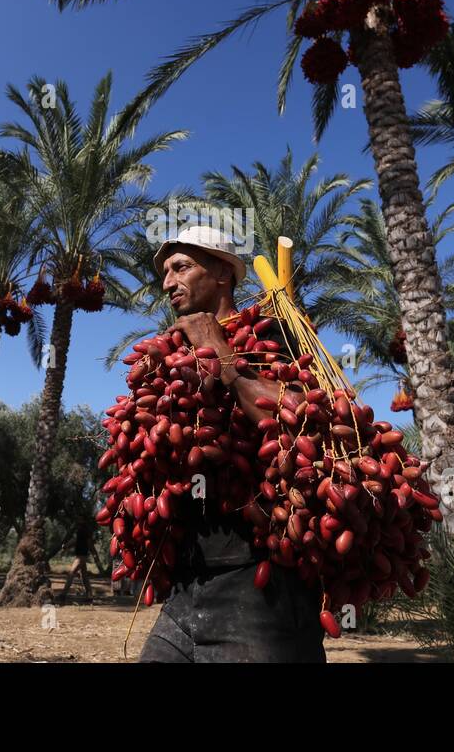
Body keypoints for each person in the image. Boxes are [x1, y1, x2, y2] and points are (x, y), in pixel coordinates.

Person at [136, 225, 327, 663]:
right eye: (165, 272)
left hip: (261, 589)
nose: (167, 282)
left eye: (181, 267)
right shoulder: (171, 353)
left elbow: (299, 425)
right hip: (189, 586)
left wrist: (222, 354)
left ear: (223, 272)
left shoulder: (277, 332)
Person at [59, 520, 97, 604]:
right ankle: (89, 596)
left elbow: (74, 540)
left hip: (81, 557)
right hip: (82, 556)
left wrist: (65, 546)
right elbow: (89, 544)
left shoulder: (81, 532)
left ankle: (63, 595)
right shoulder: (85, 533)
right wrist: (95, 554)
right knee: (84, 576)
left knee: (71, 573)